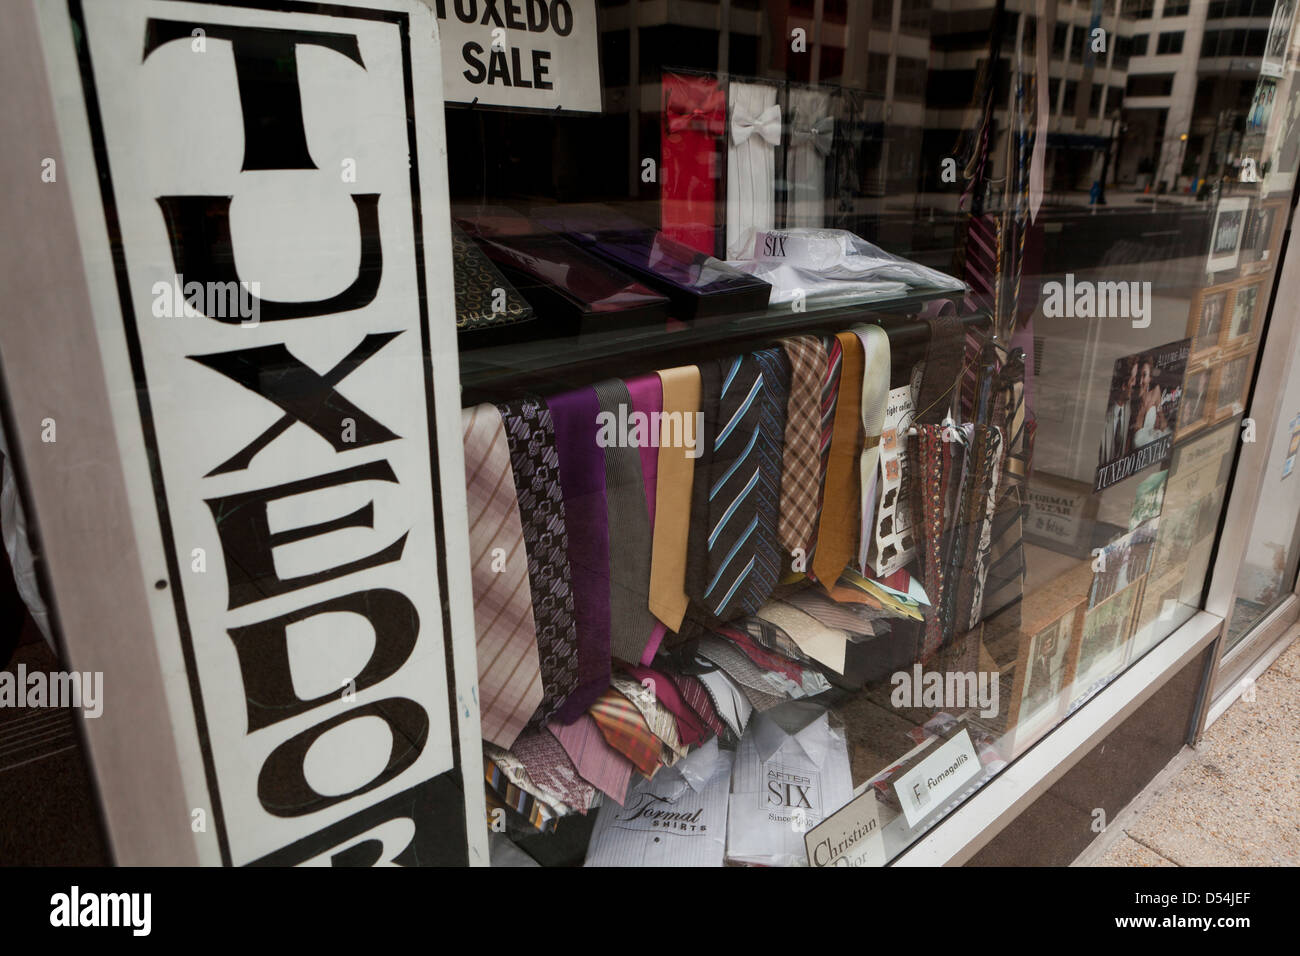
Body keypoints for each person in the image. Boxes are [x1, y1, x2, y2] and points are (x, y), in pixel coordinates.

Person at [1100, 358, 1137, 464]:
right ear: (1124, 386)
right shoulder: (1104, 416)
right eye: (1133, 379)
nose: (1135, 383)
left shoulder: (1128, 408)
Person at [1132, 357, 1170, 448]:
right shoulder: (1134, 399)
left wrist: (1158, 428)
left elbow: (1163, 421)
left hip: (1152, 443)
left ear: (1150, 379)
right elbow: (1136, 436)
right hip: (1138, 444)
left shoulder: (1155, 391)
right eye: (1139, 376)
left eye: (1144, 375)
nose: (1140, 381)